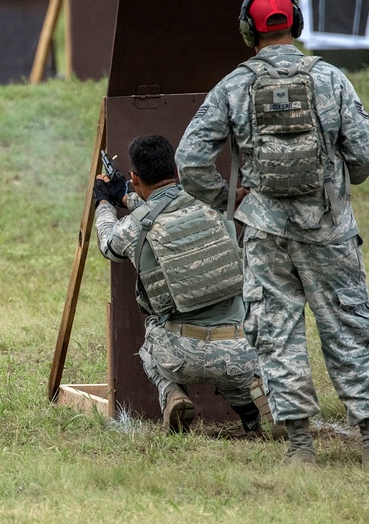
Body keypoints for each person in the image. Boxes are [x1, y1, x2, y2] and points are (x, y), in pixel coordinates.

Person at [175, 0, 369, 471]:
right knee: (348, 327)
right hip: (329, 229)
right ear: (296, 24)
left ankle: (300, 447)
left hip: (265, 233)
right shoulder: (331, 78)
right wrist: (338, 186)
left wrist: (230, 197)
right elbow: (364, 154)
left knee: (276, 333)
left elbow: (190, 160)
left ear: (248, 31)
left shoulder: (233, 86)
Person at [93, 134, 269, 435]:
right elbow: (174, 203)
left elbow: (109, 243)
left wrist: (105, 202)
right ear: (175, 170)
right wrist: (128, 194)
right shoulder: (213, 203)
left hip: (180, 353)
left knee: (150, 345)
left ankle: (173, 395)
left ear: (135, 177)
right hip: (240, 348)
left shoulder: (136, 226)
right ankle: (256, 419)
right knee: (236, 378)